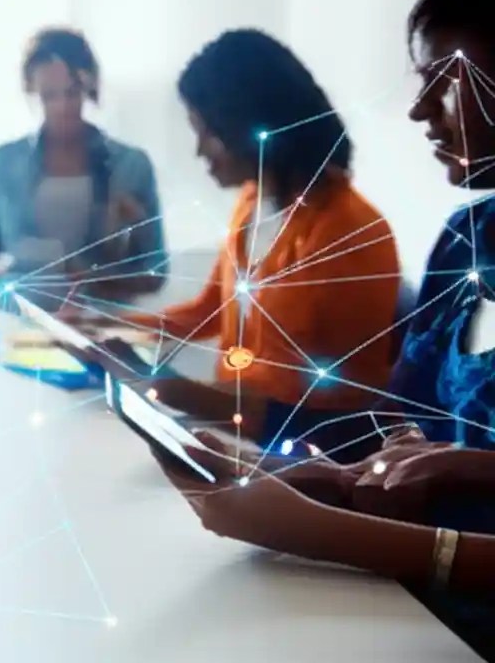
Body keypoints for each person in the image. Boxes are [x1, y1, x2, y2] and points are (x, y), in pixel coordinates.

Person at [153, 0, 495, 604]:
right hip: (409, 595)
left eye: (444, 79)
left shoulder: (349, 228)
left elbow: (351, 406)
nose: (420, 110)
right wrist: (311, 477)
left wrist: (325, 528)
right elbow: (402, 423)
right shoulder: (464, 240)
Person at [80, 30, 401, 456]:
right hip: (240, 444)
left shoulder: (350, 233)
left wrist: (163, 387)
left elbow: (306, 411)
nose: (198, 152)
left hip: (312, 465)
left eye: (207, 132)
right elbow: (207, 311)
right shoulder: (253, 203)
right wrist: (104, 329)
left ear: (248, 127)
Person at [0, 27, 168, 311]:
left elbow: (155, 271)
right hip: (23, 324)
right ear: (31, 89)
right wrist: (2, 272)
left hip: (105, 327)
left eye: (72, 93)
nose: (62, 107)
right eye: (49, 96)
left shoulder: (131, 165)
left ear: (90, 86)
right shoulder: (2, 163)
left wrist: (98, 279)